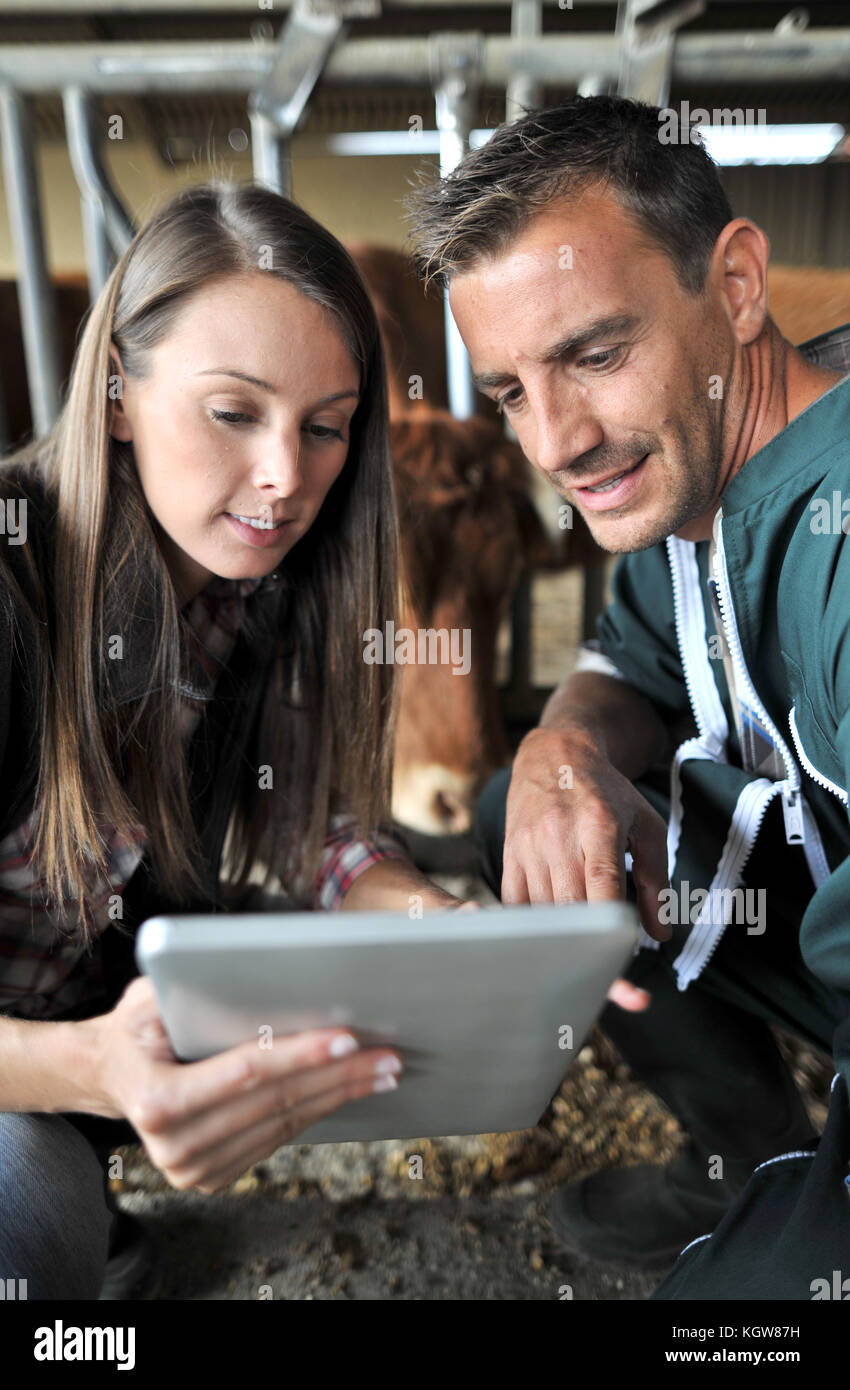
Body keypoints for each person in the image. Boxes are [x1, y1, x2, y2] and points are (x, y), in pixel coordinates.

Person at [0, 181, 497, 1301]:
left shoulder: (245, 596)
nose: (285, 477)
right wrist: (89, 1069)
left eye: (325, 426)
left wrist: (449, 933)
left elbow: (319, 832)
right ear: (117, 395)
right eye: (233, 412)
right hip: (21, 1081)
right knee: (18, 1196)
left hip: (67, 1056)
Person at [408, 94, 850, 1298]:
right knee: (531, 804)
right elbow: (626, 662)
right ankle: (746, 1160)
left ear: (737, 284)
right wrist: (559, 749)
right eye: (509, 391)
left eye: (594, 355)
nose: (553, 443)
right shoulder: (692, 479)